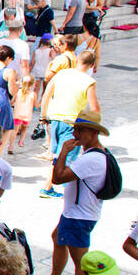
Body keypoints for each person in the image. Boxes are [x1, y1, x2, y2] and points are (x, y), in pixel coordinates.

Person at [34, 109, 111, 275]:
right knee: (57, 237)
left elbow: (58, 178)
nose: (75, 134)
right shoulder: (97, 153)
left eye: (80, 130)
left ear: (93, 132)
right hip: (78, 213)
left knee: (81, 261)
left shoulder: (91, 158)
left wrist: (64, 151)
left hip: (79, 216)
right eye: (75, 128)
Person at [38, 46, 97, 196]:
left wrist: (43, 116)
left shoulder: (61, 74)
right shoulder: (89, 81)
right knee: (66, 158)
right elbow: (95, 108)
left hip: (54, 119)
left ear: (77, 60)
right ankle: (61, 190)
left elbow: (45, 96)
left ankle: (48, 187)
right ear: (92, 65)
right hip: (71, 123)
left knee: (57, 156)